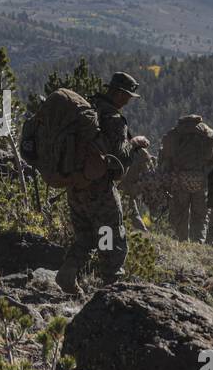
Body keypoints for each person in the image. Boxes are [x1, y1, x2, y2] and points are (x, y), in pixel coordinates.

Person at [56, 72, 148, 293]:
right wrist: (135, 142)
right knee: (111, 235)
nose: (127, 101)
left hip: (76, 185)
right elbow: (120, 158)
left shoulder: (88, 110)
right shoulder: (113, 119)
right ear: (117, 93)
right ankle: (111, 284)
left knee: (86, 236)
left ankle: (67, 274)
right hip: (99, 189)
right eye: (126, 96)